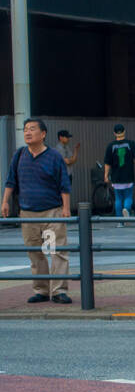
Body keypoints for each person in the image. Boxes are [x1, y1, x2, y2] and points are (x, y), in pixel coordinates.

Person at [1, 118, 73, 303]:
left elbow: (64, 184)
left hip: (51, 212)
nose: (27, 132)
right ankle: (41, 289)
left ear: (43, 134)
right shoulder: (19, 155)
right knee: (35, 252)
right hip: (28, 213)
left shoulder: (54, 156)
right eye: (26, 129)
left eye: (32, 129)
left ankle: (58, 291)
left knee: (56, 251)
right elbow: (11, 181)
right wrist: (5, 202)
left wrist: (66, 208)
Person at [103, 123, 135, 226]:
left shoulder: (110, 146)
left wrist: (106, 175)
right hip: (128, 176)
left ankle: (120, 222)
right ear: (124, 131)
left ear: (114, 133)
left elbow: (107, 163)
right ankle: (126, 210)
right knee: (128, 196)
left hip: (116, 177)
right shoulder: (131, 144)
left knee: (118, 199)